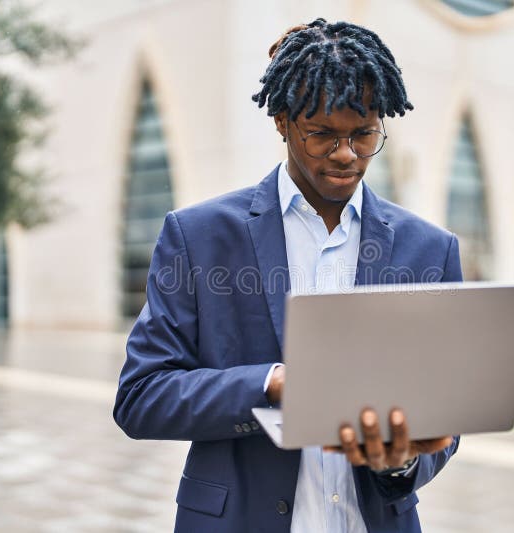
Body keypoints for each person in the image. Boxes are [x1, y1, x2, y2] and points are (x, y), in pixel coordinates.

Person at [113, 18, 462, 533]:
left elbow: (444, 410)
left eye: (364, 136)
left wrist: (403, 463)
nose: (346, 155)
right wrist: (271, 383)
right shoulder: (199, 237)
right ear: (281, 121)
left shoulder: (430, 249)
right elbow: (142, 397)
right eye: (321, 135)